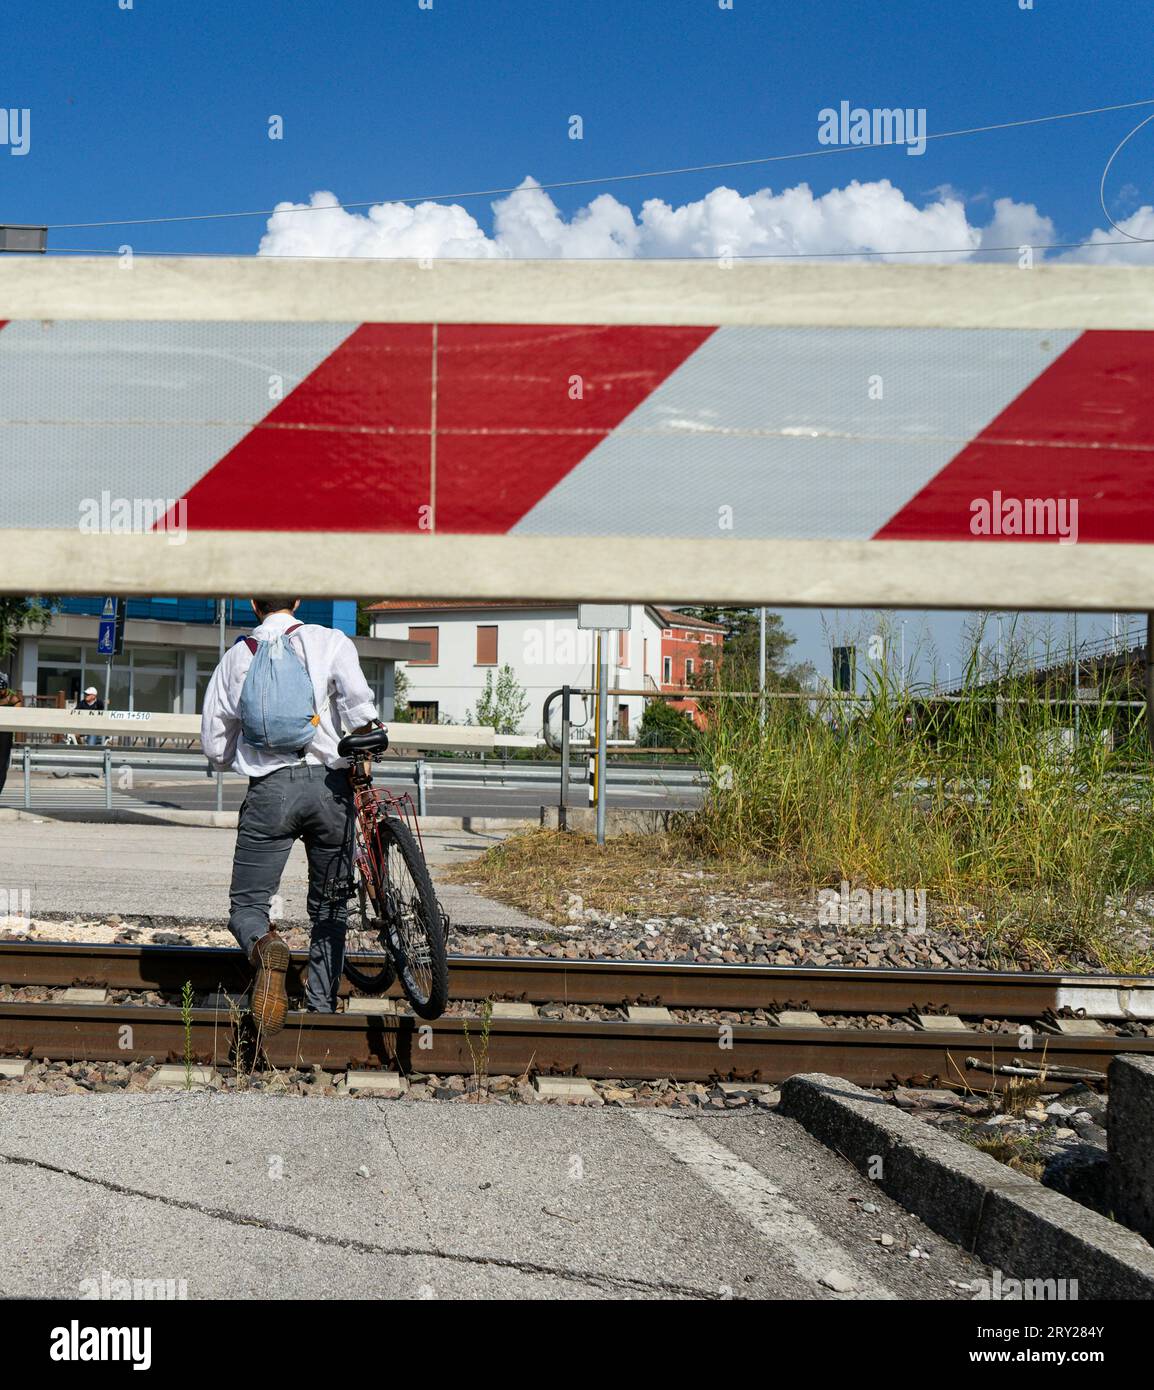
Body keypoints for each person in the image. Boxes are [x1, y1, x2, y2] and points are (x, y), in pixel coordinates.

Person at [200, 597, 381, 1034]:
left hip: (270, 793)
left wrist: (239, 755)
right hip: (330, 791)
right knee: (331, 906)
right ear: (297, 600)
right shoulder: (329, 641)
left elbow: (215, 744)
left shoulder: (237, 655)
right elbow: (360, 711)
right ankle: (320, 1007)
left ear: (253, 603)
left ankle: (268, 948)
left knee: (247, 905)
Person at [0, 673, 23, 798]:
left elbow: (18, 712)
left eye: (1, 690)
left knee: (2, 767)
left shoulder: (12, 699)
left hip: (5, 737)